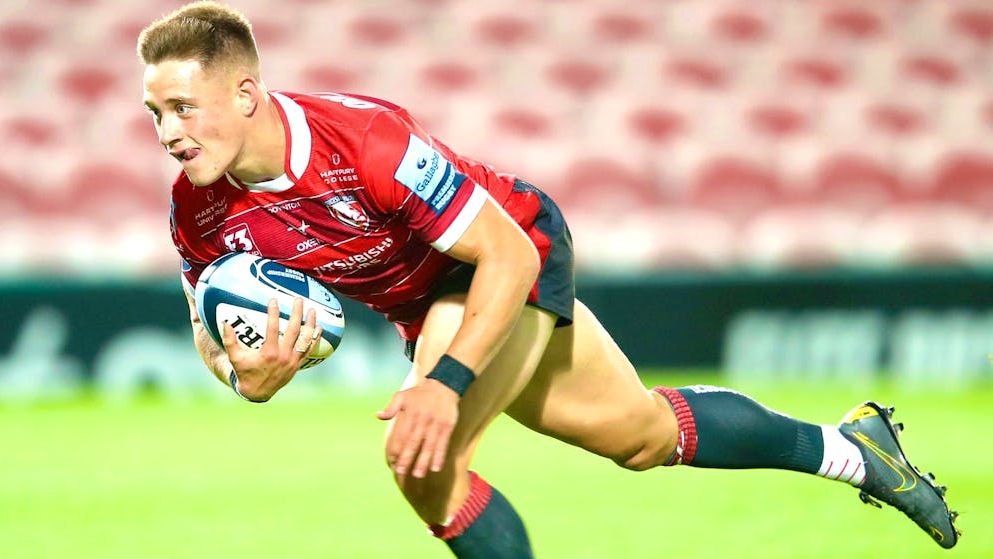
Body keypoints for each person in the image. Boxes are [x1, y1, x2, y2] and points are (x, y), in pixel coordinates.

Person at [137, 2, 959, 556]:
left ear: (245, 93)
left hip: (510, 250)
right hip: (430, 305)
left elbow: (507, 256)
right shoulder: (196, 212)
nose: (168, 133)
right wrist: (247, 377)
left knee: (422, 456)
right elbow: (212, 338)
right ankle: (853, 452)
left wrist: (446, 382)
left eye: (183, 107)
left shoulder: (363, 143)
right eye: (155, 115)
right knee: (640, 436)